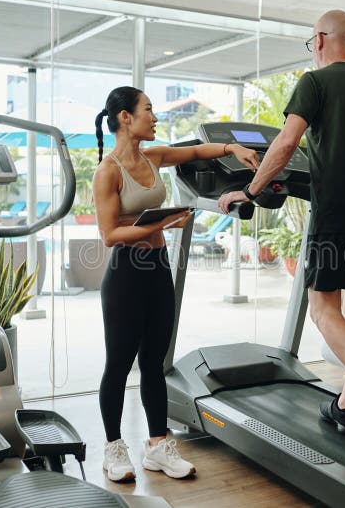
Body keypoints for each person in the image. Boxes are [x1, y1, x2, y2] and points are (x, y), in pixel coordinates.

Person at [218, 10, 345, 456]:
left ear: (319, 41)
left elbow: (288, 142)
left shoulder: (315, 83)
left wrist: (249, 191)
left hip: (339, 215)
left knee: (322, 308)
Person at [93, 86, 260, 481]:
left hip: (157, 269)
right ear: (125, 118)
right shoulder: (107, 171)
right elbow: (109, 235)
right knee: (118, 366)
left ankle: (156, 446)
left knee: (154, 363)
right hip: (125, 275)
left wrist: (231, 149)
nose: (154, 117)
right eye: (147, 110)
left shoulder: (152, 157)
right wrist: (162, 222)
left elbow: (196, 152)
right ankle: (114, 449)